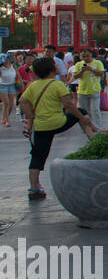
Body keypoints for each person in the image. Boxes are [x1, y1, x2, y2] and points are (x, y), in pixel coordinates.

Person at [18, 57, 97, 199]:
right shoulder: (58, 85)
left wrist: (32, 117)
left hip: (41, 126)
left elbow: (22, 102)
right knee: (82, 113)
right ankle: (93, 138)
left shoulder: (33, 85)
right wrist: (81, 118)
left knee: (37, 157)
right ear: (52, 69)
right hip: (58, 122)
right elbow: (69, 105)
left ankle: (34, 189)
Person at [68, 49, 106, 130]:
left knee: (95, 110)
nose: (85, 58)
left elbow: (101, 73)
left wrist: (91, 69)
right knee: (85, 111)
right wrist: (82, 71)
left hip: (94, 90)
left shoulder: (97, 63)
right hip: (82, 91)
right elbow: (74, 76)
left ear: (91, 55)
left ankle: (97, 126)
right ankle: (87, 126)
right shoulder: (79, 64)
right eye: (83, 56)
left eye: (87, 56)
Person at [0, 54, 19, 127]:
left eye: (8, 58)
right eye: (5, 59)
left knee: (11, 105)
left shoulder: (13, 66)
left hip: (12, 85)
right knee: (6, 103)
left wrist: (21, 83)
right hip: (2, 86)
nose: (7, 60)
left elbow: (18, 75)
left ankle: (4, 117)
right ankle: (7, 120)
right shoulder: (1, 68)